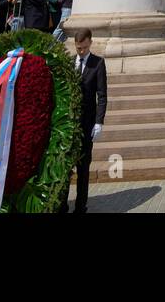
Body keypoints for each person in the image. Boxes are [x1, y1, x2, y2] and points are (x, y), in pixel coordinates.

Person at [65, 30, 106, 213]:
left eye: (83, 47)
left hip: (87, 123)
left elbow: (102, 95)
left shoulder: (98, 63)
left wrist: (99, 121)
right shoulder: (70, 62)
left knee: (83, 168)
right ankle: (62, 205)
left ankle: (81, 206)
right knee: (66, 168)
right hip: (69, 125)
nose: (80, 51)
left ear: (90, 43)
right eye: (78, 48)